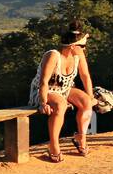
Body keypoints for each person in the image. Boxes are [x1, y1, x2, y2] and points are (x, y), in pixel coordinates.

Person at [28, 19, 96, 162]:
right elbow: (43, 82)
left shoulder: (78, 56)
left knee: (86, 102)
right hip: (43, 92)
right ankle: (53, 146)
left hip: (64, 89)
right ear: (72, 46)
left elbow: (85, 76)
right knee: (61, 104)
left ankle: (81, 137)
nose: (84, 48)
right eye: (82, 45)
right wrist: (43, 102)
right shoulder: (53, 55)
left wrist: (90, 96)